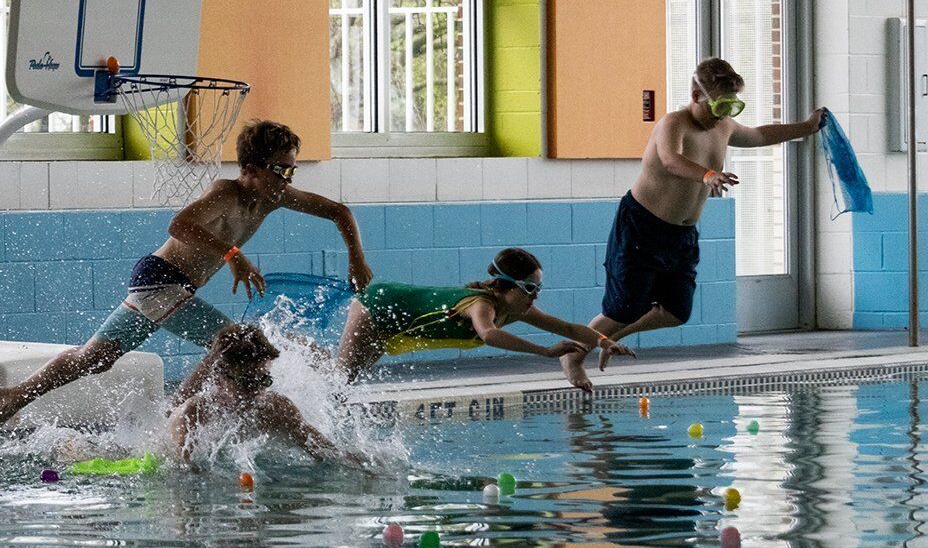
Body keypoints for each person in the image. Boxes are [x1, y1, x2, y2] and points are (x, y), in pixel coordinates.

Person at [0, 120, 374, 435]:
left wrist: (356, 259)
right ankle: (177, 413)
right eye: (279, 170)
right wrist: (232, 254)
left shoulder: (275, 197)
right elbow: (179, 224)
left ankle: (14, 396)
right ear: (250, 170)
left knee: (95, 358)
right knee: (233, 343)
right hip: (160, 279)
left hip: (162, 286)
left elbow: (339, 211)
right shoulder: (226, 193)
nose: (286, 179)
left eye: (291, 170)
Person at [560, 57, 823, 391]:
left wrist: (806, 126)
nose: (724, 114)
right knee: (623, 308)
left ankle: (612, 336)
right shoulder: (674, 123)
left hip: (682, 234)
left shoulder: (724, 127)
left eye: (732, 106)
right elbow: (670, 160)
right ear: (696, 95)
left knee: (676, 312)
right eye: (720, 105)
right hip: (642, 226)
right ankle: (573, 355)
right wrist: (708, 175)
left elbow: (760, 134)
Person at [336, 247, 634, 382]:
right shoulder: (481, 305)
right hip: (379, 306)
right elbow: (489, 334)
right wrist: (544, 352)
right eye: (530, 288)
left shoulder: (515, 308)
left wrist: (604, 341)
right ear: (507, 285)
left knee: (347, 373)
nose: (535, 296)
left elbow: (568, 328)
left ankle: (310, 360)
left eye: (538, 288)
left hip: (396, 321)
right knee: (342, 378)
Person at [168, 324, 357, 466]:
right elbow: (180, 470)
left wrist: (361, 466)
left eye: (264, 380)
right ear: (219, 378)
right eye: (246, 382)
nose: (257, 391)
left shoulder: (276, 408)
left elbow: (327, 451)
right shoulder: (192, 415)